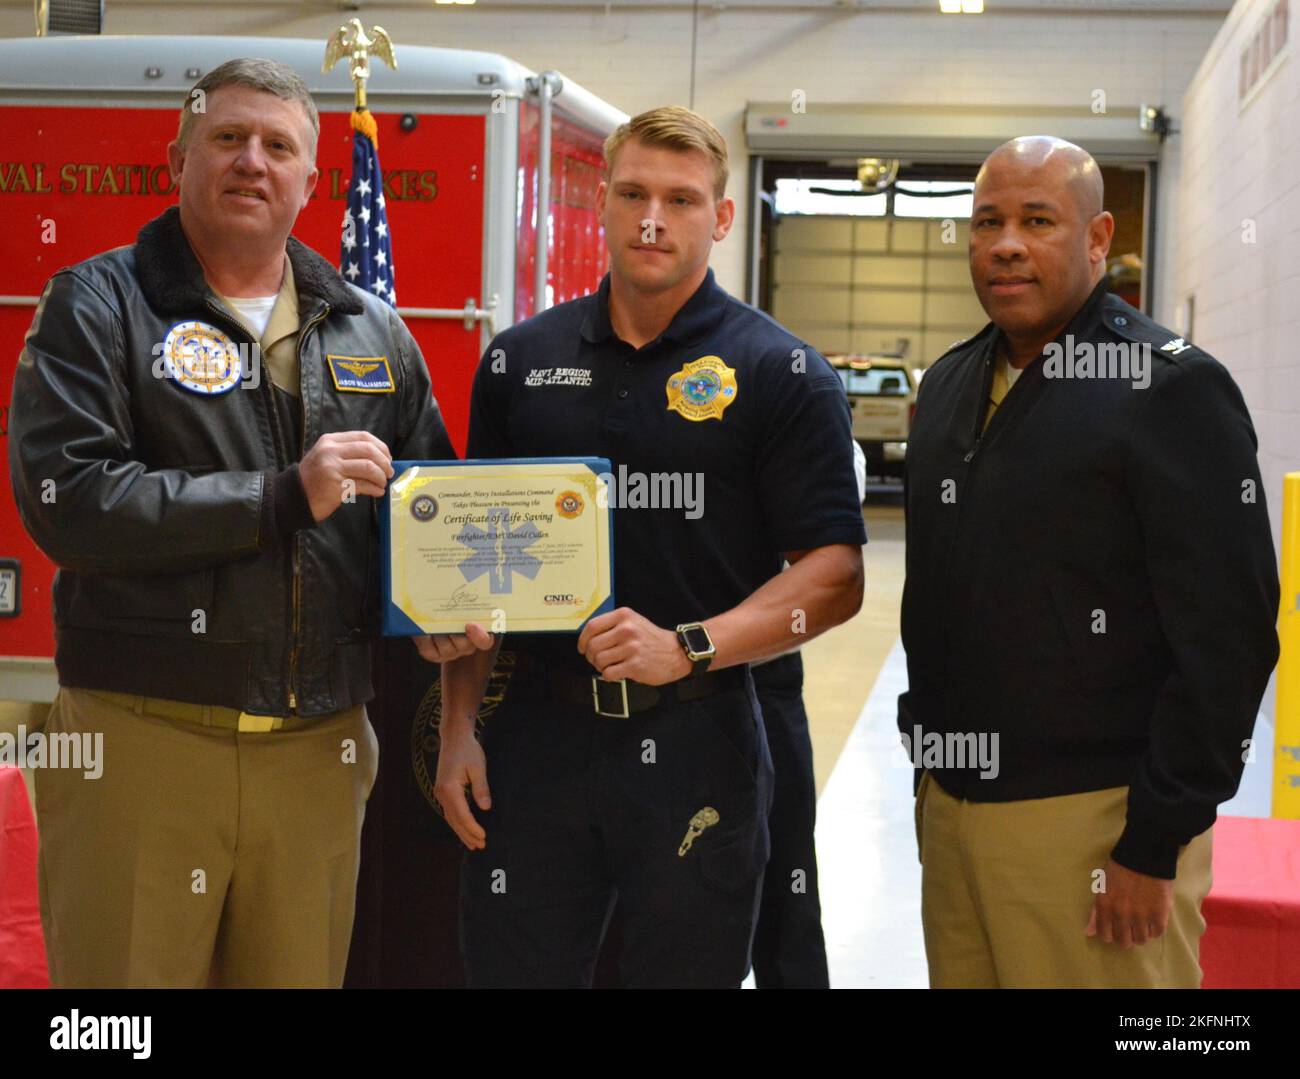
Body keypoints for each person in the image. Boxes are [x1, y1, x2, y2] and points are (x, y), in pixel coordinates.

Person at [8, 58, 455, 988]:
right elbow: (71, 502)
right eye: (227, 137)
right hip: (140, 744)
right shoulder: (96, 305)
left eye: (278, 145)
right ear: (179, 157)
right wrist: (280, 496)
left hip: (318, 751)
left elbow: (430, 509)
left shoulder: (372, 329)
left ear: (309, 180)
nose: (252, 161)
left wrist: (450, 602)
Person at [430, 105, 866, 989]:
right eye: (632, 194)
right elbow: (480, 561)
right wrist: (458, 725)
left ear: (723, 216)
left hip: (698, 736)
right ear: (604, 199)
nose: (653, 219)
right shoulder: (522, 361)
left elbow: (835, 576)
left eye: (680, 198)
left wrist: (688, 647)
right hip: (538, 738)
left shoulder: (779, 373)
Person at [900, 135, 1279, 988]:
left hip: (1094, 826)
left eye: (1038, 220)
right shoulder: (954, 384)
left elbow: (1229, 635)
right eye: (987, 221)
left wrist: (1155, 839)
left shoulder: (1168, 388)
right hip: (954, 814)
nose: (1006, 243)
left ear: (1098, 237)